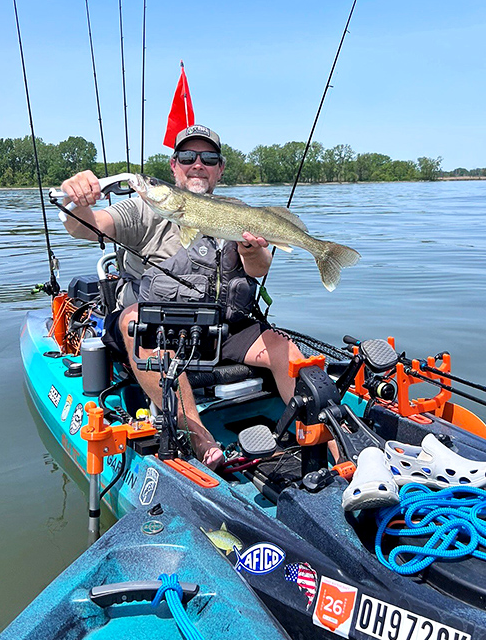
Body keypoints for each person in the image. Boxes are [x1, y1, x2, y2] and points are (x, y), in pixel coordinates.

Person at [60, 124, 303, 469]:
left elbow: (258, 268)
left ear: (220, 168)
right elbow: (84, 226)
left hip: (220, 328)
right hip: (155, 330)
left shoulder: (234, 210)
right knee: (136, 324)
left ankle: (330, 443)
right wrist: (78, 200)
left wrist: (250, 248)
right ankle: (201, 438)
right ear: (174, 166)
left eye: (208, 158)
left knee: (285, 349)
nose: (197, 164)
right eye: (187, 156)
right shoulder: (142, 209)